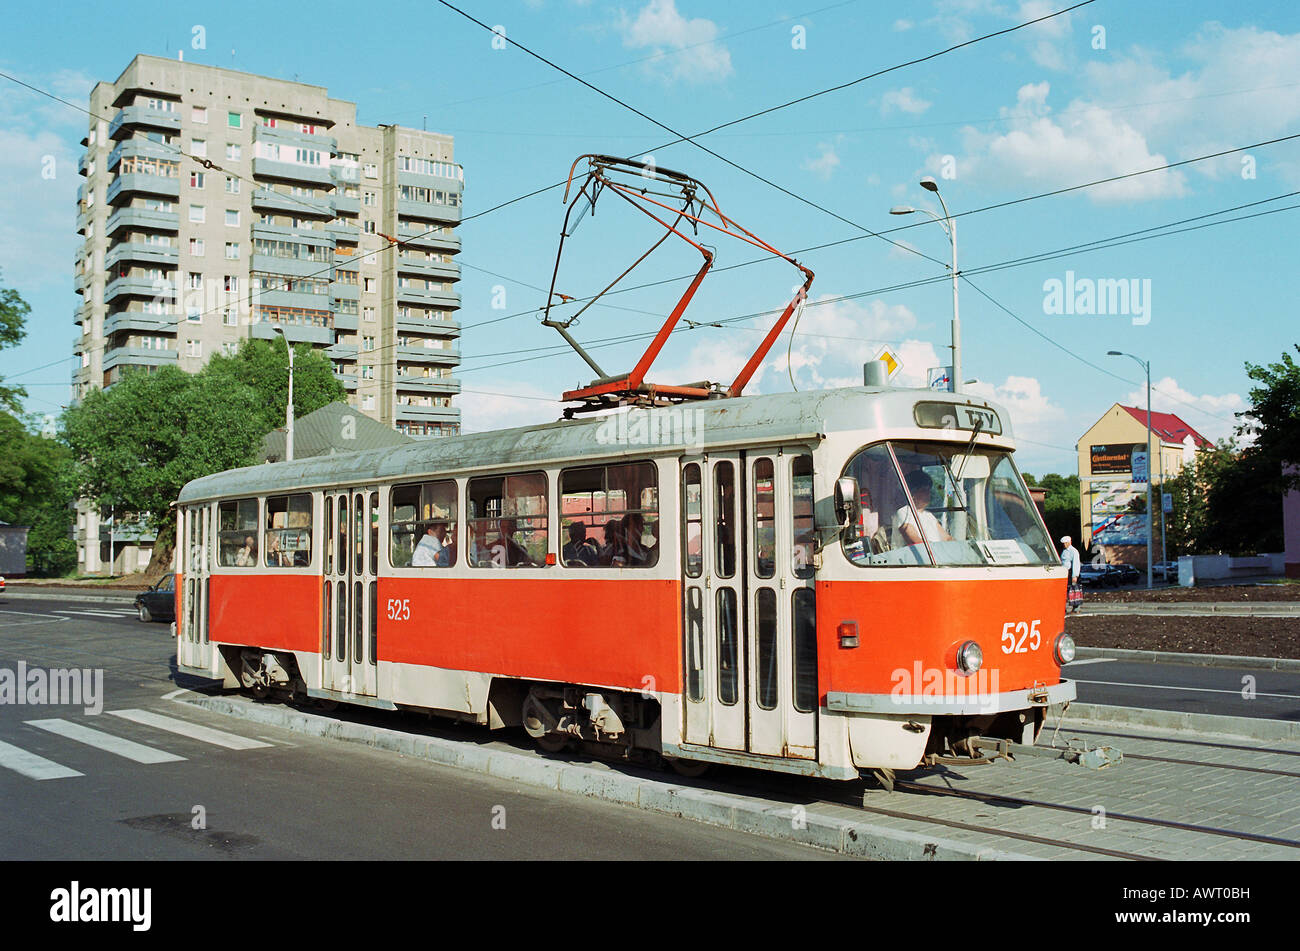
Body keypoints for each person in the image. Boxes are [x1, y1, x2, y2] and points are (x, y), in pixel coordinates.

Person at [891, 470, 952, 548]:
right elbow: (914, 541)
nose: (928, 493)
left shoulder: (929, 515)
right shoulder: (904, 512)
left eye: (929, 489)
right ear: (912, 493)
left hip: (935, 556)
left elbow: (946, 538)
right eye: (924, 490)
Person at [1060, 535, 1082, 612]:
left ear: (1069, 542)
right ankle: (1064, 608)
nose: (1064, 545)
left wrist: (1075, 575)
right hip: (1065, 572)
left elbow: (1076, 564)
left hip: (1071, 572)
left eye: (1066, 543)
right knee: (1066, 591)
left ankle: (1076, 607)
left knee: (1074, 591)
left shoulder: (1074, 551)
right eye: (1063, 543)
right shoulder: (1064, 551)